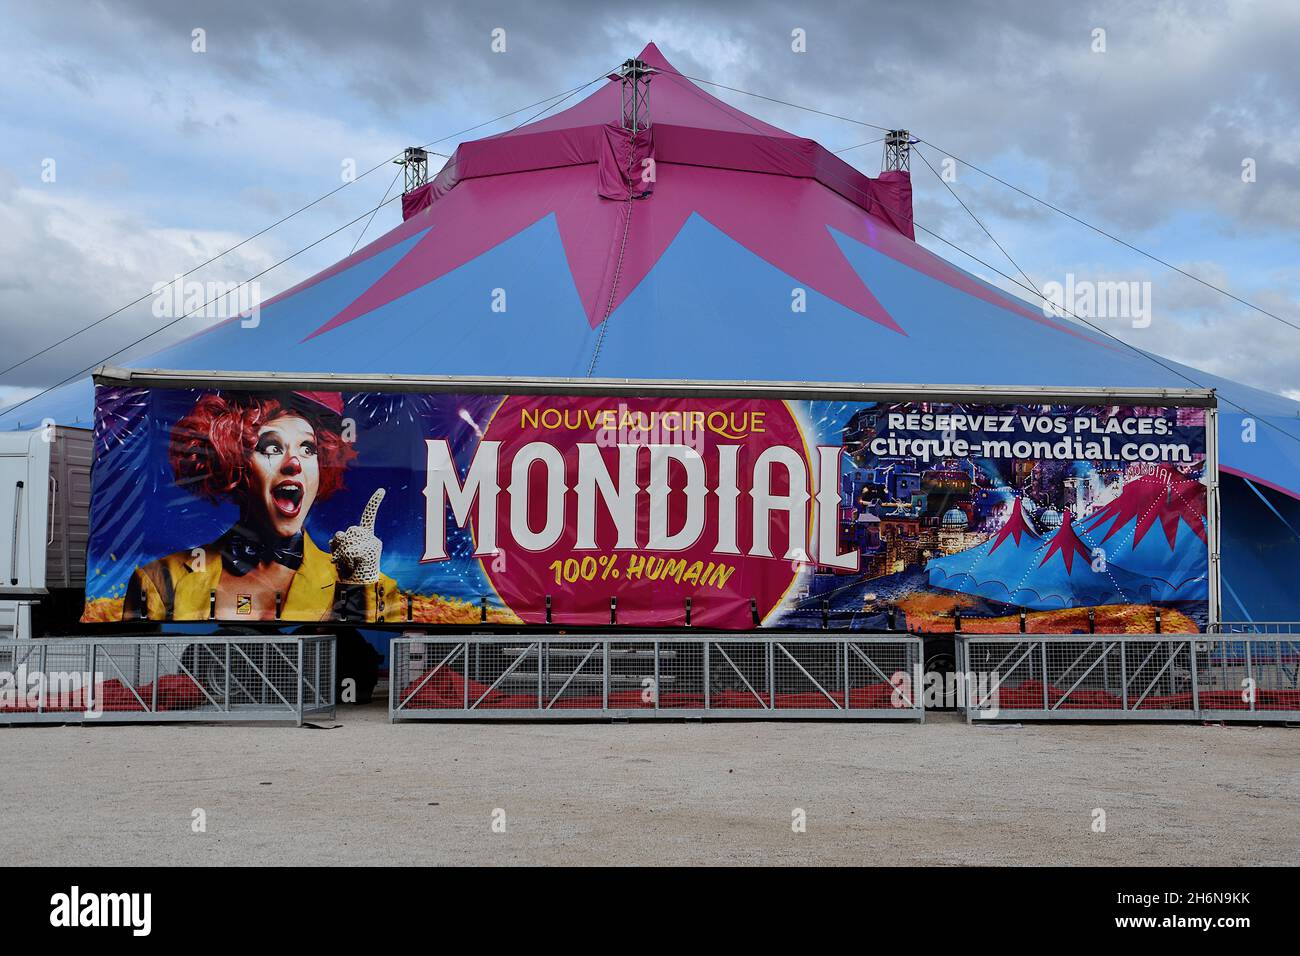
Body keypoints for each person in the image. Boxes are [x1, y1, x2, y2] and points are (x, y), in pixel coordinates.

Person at [122, 390, 400, 622]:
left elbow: (359, 659)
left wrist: (357, 588)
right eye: (271, 448)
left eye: (308, 449)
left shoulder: (371, 586)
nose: (294, 463)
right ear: (235, 464)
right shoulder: (159, 582)